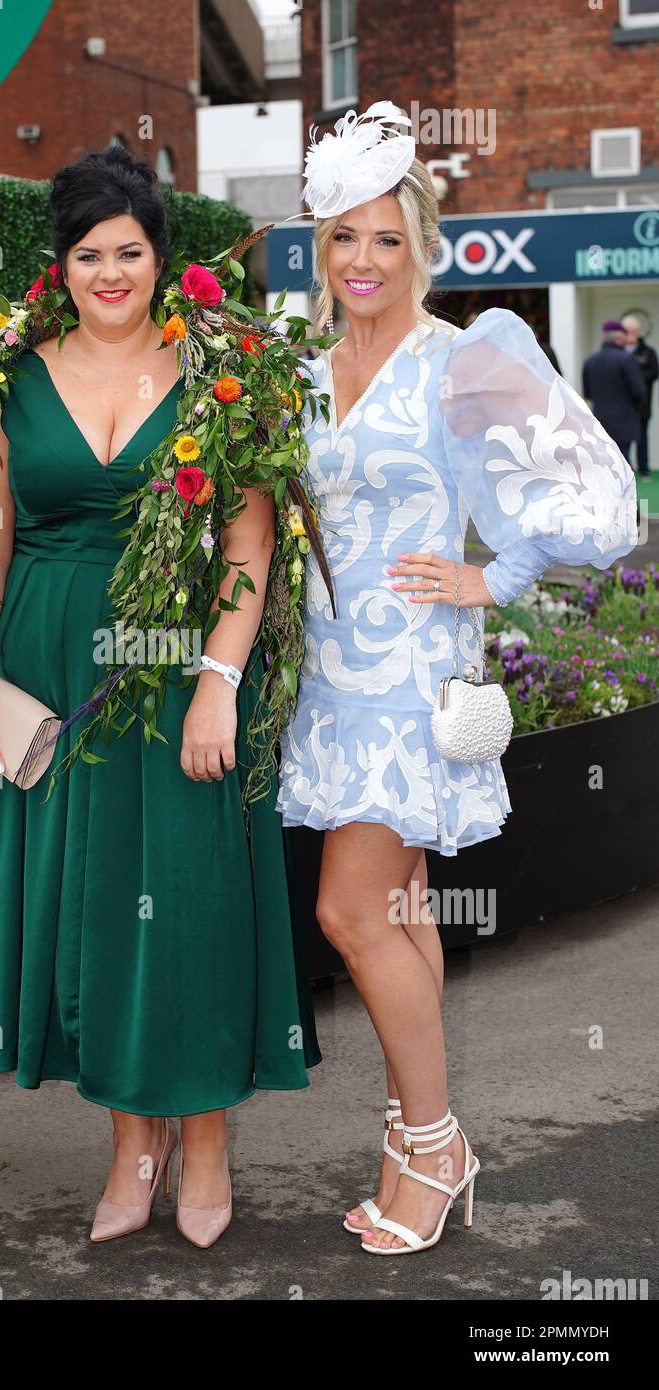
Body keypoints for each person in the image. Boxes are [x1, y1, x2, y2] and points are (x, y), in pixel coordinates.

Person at [0, 145, 320, 1249]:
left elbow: (250, 543)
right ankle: (127, 1143)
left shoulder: (219, 371)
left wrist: (218, 686)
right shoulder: (3, 380)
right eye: (88, 254)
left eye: (130, 252)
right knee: (95, 909)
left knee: (187, 900)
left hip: (174, 666)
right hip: (50, 667)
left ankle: (203, 1143)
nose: (110, 272)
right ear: (59, 267)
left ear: (162, 259)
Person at [280, 103, 638, 1255]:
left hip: (413, 668)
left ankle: (434, 1144)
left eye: (388, 240)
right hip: (328, 669)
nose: (365, 262)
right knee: (402, 911)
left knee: (349, 908)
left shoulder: (464, 355)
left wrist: (500, 574)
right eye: (343, 238)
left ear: (422, 245)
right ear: (318, 248)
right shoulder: (294, 365)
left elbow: (595, 492)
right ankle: (409, 1137)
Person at [582, 319, 645, 465]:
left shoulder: (590, 361)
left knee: (604, 464)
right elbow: (639, 391)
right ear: (619, 337)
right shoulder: (627, 359)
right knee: (623, 462)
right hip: (624, 419)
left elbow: (588, 393)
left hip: (599, 420)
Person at [621, 313, 657, 477]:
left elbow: (653, 372)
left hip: (642, 403)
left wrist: (634, 377)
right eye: (627, 331)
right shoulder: (618, 351)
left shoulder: (648, 352)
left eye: (634, 331)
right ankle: (626, 470)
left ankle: (644, 469)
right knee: (622, 438)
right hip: (622, 404)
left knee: (642, 437)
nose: (631, 334)